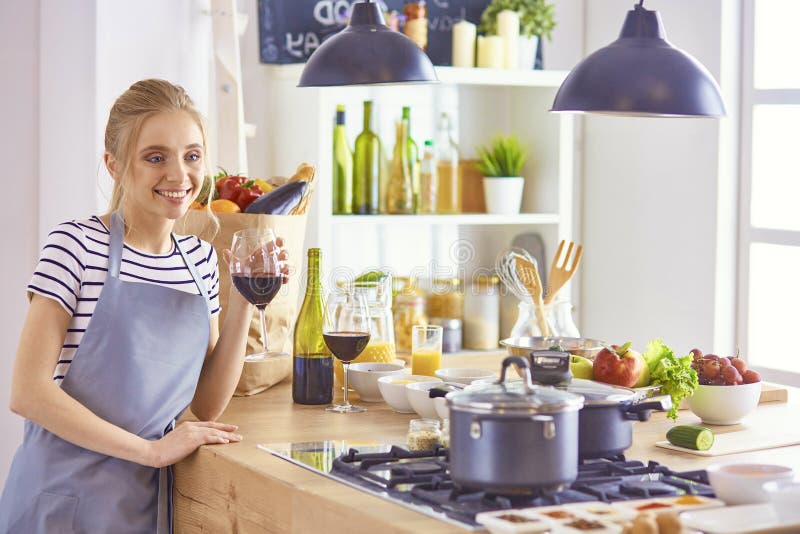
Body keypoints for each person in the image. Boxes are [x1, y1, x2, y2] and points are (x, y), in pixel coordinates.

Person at [0, 79, 288, 533]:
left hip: (146, 506)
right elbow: (28, 392)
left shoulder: (199, 261)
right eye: (156, 157)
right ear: (114, 166)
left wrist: (245, 300)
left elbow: (207, 402)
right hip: (63, 503)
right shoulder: (76, 245)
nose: (179, 175)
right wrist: (152, 451)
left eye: (192, 156)